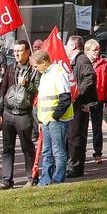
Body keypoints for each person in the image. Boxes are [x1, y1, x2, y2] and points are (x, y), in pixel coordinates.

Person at [0, 40, 40, 188]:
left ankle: (32, 178)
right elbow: (3, 90)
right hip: (8, 113)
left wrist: (27, 84)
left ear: (28, 52)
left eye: (19, 51)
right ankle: (6, 180)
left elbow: (38, 89)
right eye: (15, 51)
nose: (16, 53)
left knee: (27, 148)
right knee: (7, 148)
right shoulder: (10, 68)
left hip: (24, 114)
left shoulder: (34, 69)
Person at [35, 49, 74, 185]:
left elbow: (65, 97)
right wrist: (41, 119)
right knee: (47, 152)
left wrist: (56, 116)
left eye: (36, 65)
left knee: (58, 151)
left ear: (44, 62)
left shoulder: (58, 73)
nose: (36, 69)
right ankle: (45, 180)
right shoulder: (45, 74)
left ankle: (57, 179)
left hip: (57, 120)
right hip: (47, 119)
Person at [65, 36, 97, 177]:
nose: (65, 47)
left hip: (80, 105)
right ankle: (72, 164)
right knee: (71, 136)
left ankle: (76, 167)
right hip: (75, 105)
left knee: (76, 137)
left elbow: (90, 77)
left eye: (67, 45)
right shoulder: (75, 61)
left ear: (73, 46)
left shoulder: (82, 59)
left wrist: (77, 93)